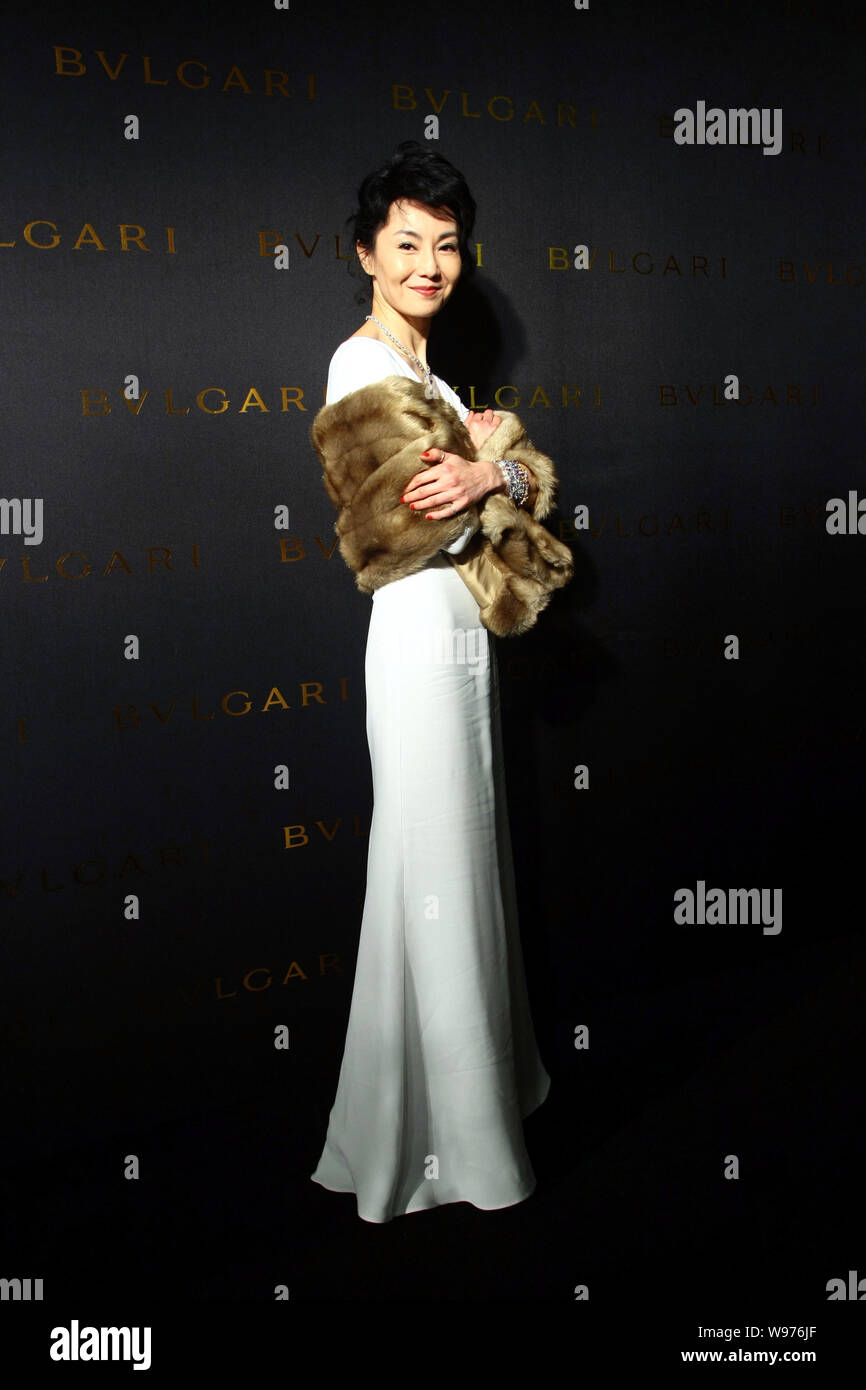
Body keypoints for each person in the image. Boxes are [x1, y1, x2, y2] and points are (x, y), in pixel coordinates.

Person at [309, 140, 573, 1223]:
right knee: (428, 867)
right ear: (366, 253)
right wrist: (498, 463)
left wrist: (494, 464)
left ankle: (457, 1107)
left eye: (446, 244)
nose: (428, 263)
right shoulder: (360, 367)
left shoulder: (427, 377)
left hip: (459, 637)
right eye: (405, 242)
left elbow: (489, 487)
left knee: (458, 859)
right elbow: (414, 517)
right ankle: (446, 1149)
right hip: (415, 636)